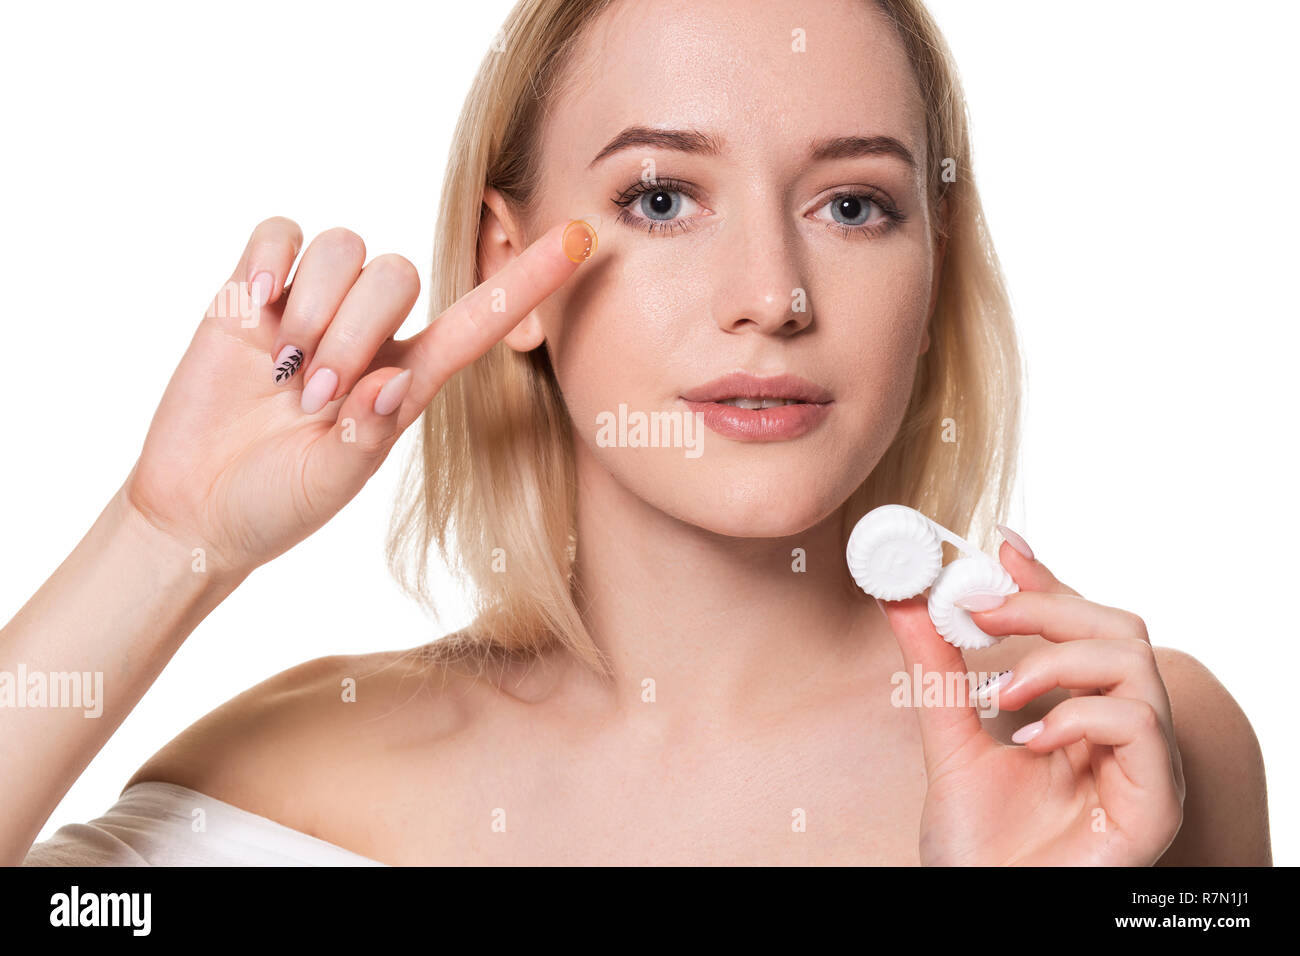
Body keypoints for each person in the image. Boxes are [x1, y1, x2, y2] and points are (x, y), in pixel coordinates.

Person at [7, 0, 1269, 866]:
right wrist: (162, 534)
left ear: (933, 273)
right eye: (663, 197)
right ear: (514, 271)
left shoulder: (1117, 741)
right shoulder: (281, 775)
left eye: (852, 203)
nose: (772, 292)